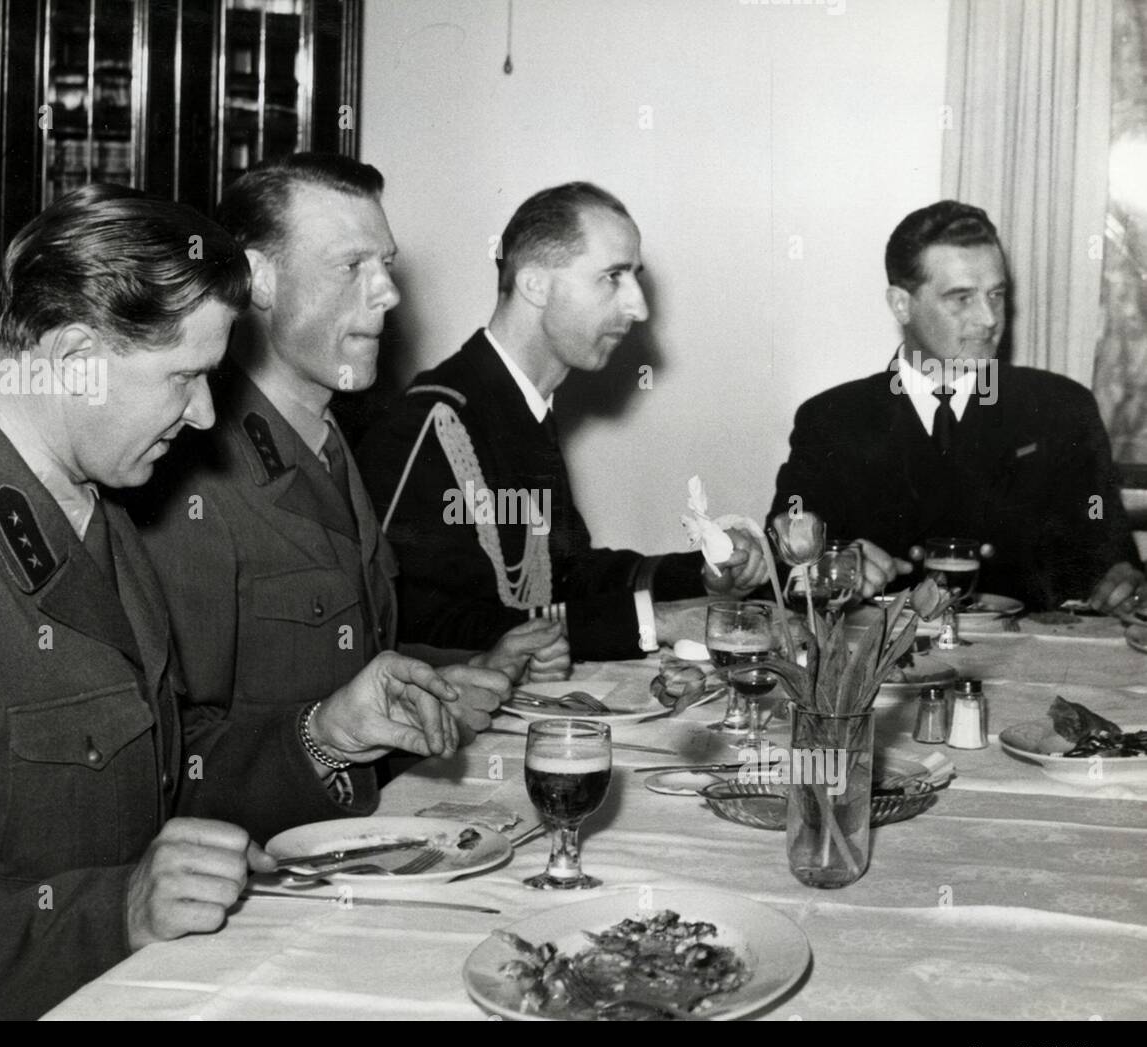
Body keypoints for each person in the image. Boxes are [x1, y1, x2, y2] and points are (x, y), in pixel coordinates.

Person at [0, 184, 482, 1020]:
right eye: (184, 377)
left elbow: (154, 777)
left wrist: (322, 734)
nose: (204, 413)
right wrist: (112, 914)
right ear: (73, 357)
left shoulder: (98, 498)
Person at [126, 157, 568, 777]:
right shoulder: (194, 485)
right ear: (259, 280)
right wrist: (326, 742)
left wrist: (455, 672)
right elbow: (175, 758)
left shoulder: (330, 441)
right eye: (351, 265)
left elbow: (350, 656)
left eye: (385, 264)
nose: (388, 291)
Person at [356, 182, 768, 660]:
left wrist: (703, 572)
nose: (638, 307)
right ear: (535, 284)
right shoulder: (435, 421)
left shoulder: (523, 407)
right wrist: (657, 622)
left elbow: (567, 576)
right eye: (613, 277)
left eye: (635, 277)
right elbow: (415, 625)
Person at [768, 200, 1144, 614]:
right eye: (961, 298)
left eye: (996, 295)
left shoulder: (1061, 411)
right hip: (888, 669)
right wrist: (827, 570)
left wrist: (1122, 583)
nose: (987, 319)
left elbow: (1107, 553)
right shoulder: (833, 420)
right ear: (901, 304)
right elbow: (785, 553)